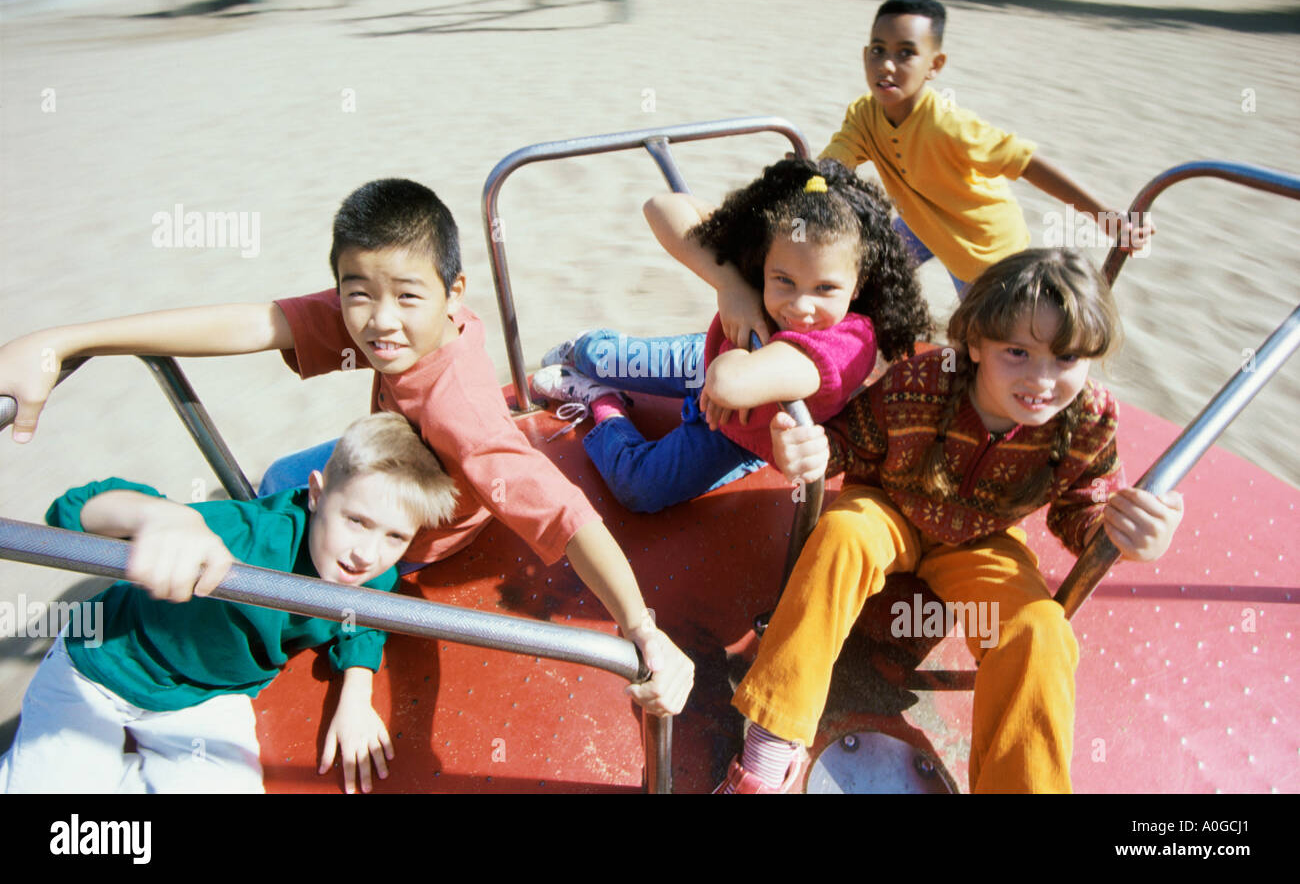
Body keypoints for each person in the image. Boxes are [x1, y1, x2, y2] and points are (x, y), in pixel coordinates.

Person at [0, 178, 693, 717]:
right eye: (356, 295)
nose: (379, 323)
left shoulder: (463, 414)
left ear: (455, 293)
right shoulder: (407, 310)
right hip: (386, 463)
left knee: (268, 525)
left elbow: (567, 516)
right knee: (278, 476)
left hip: (412, 529)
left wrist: (642, 626)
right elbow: (253, 322)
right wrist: (67, 339)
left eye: (403, 298)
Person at [721, 248, 1185, 793]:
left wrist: (1129, 532)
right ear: (974, 345)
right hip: (891, 504)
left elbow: (1084, 507)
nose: (1041, 380)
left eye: (1066, 360)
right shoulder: (924, 379)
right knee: (841, 536)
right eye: (1017, 352)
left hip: (983, 538)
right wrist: (807, 450)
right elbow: (848, 440)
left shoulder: (1089, 417)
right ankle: (771, 745)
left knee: (1041, 630)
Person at [0, 412, 457, 794]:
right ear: (316, 494)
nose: (367, 553)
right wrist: (162, 515)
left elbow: (368, 617)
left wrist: (356, 694)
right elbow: (72, 510)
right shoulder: (241, 533)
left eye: (395, 536)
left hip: (207, 697)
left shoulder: (375, 570)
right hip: (103, 668)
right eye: (356, 520)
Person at [531, 157, 931, 513]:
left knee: (639, 487)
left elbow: (729, 382)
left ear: (858, 284)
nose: (801, 307)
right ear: (763, 262)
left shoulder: (851, 343)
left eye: (825, 288)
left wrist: (727, 380)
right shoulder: (773, 253)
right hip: (701, 360)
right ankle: (584, 351)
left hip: (741, 431)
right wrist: (730, 285)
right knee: (596, 356)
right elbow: (661, 207)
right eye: (783, 281)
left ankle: (601, 399)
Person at [822, 0, 1153, 295]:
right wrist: (804, 175)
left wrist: (1104, 215)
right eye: (878, 51)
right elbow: (837, 159)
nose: (887, 65)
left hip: (981, 247)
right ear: (865, 55)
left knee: (982, 334)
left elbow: (1027, 162)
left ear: (934, 66)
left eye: (906, 53)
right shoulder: (864, 114)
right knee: (865, 273)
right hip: (921, 220)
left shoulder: (950, 126)